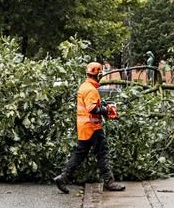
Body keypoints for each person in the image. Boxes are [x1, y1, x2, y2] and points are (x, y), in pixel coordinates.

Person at [53, 62, 125, 194]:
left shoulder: (84, 86)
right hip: (93, 127)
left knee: (79, 154)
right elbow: (92, 108)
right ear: (98, 74)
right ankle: (109, 182)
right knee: (103, 153)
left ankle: (63, 178)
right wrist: (106, 110)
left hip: (84, 127)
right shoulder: (91, 89)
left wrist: (103, 106)